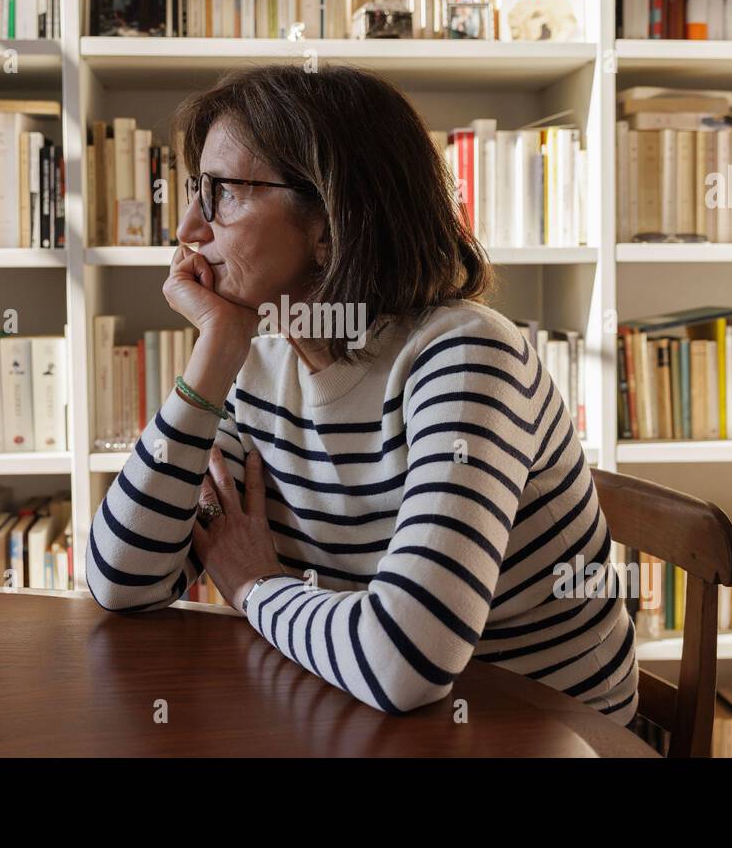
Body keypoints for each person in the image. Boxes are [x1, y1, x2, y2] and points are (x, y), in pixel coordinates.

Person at [86, 64, 638, 722]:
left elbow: (405, 660)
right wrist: (214, 352)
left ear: (330, 225)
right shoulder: (258, 359)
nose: (187, 228)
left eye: (224, 193)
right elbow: (123, 580)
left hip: (544, 735)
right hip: (368, 720)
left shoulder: (465, 357)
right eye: (195, 191)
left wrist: (255, 585)